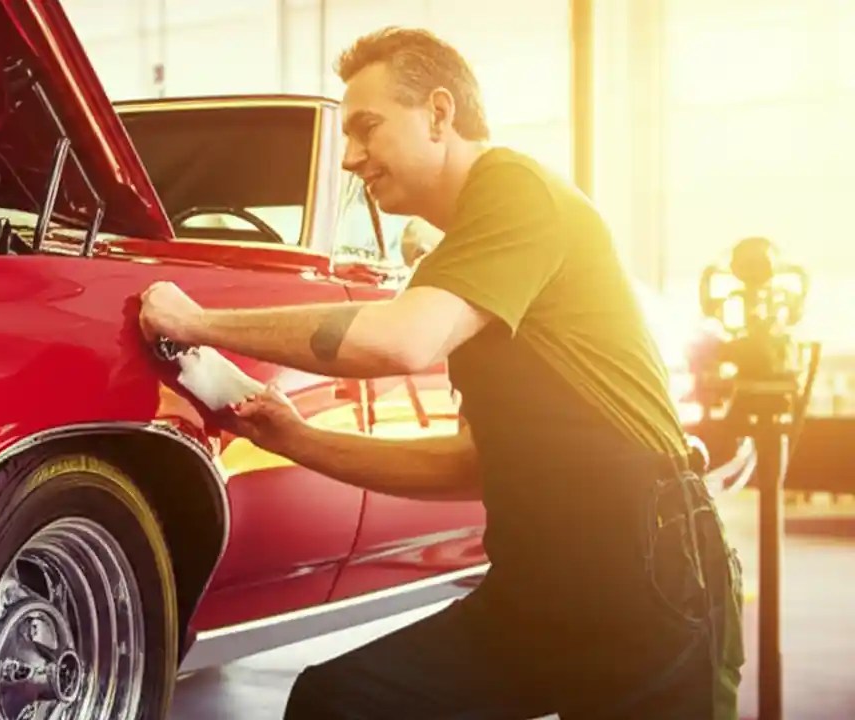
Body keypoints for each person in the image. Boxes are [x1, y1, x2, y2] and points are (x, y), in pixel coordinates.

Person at [138, 26, 744, 720]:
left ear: (438, 112)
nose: (351, 158)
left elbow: (402, 341)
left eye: (367, 128)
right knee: (338, 702)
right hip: (539, 588)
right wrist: (296, 439)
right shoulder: (463, 260)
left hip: (648, 579)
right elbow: (470, 465)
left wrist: (198, 322)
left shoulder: (515, 188)